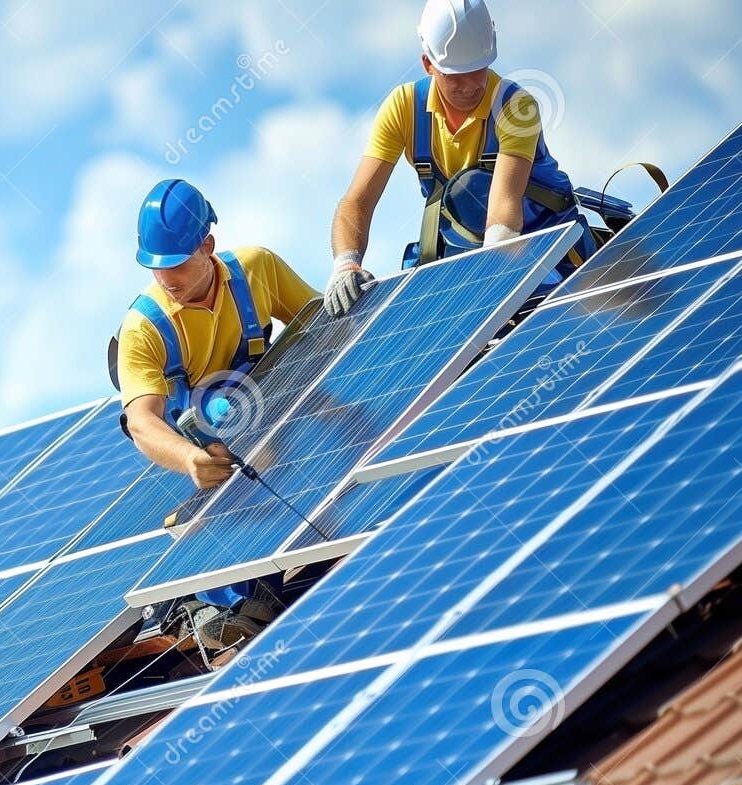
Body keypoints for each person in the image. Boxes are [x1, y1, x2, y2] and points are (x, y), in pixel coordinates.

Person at [112, 178, 318, 648]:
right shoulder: (143, 328)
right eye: (154, 266)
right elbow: (141, 421)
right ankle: (223, 594)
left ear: (208, 245)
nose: (166, 279)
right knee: (213, 415)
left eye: (177, 264)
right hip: (203, 445)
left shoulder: (257, 269)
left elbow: (327, 332)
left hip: (276, 416)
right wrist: (189, 460)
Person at [324, 0, 593, 316]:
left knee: (471, 188)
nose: (471, 85)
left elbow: (503, 214)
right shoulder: (403, 108)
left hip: (543, 249)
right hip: (469, 253)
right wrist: (346, 263)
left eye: (478, 70)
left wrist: (489, 291)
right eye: (455, 75)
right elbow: (357, 201)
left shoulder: (516, 106)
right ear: (428, 64)